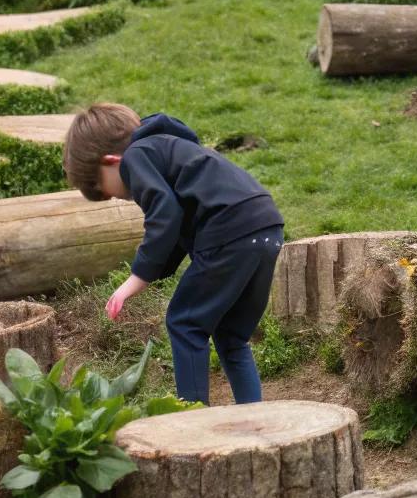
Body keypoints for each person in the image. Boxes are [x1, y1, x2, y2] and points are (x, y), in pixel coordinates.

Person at [63, 104, 285, 407]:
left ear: (112, 161)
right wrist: (154, 273)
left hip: (230, 230)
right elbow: (178, 224)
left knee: (185, 323)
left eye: (107, 190)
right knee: (231, 336)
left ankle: (192, 417)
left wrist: (137, 278)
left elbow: (164, 215)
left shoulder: (136, 156)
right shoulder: (170, 149)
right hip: (266, 226)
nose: (119, 196)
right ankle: (254, 413)